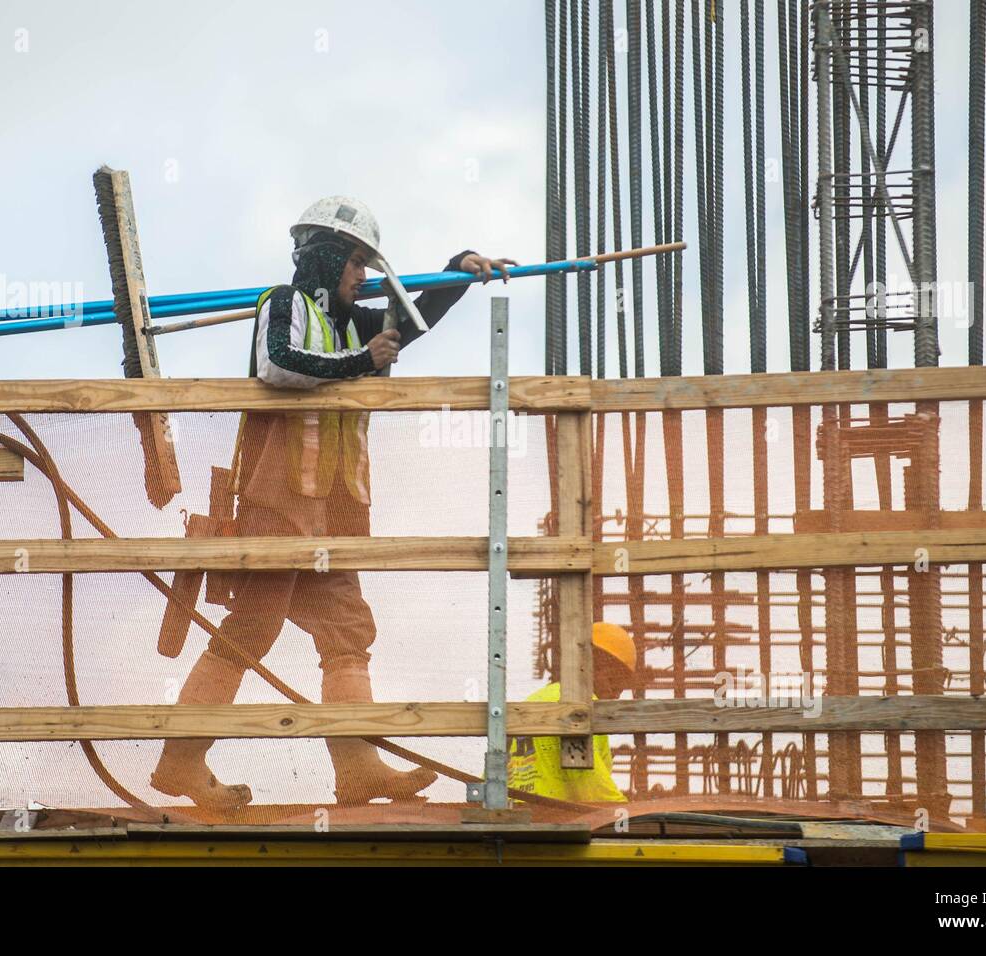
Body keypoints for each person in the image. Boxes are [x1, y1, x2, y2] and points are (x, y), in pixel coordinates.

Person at [151, 196, 517, 810]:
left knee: (347, 631)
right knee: (253, 628)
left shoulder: (354, 322)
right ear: (324, 259)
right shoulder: (285, 304)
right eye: (355, 262)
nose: (364, 276)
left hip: (334, 509)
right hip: (275, 501)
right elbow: (277, 364)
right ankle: (180, 761)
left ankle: (358, 768)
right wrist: (358, 363)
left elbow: (414, 316)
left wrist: (459, 269)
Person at [507, 622, 637, 803]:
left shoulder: (532, 701)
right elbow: (593, 789)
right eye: (612, 682)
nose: (615, 694)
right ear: (589, 666)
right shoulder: (581, 709)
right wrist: (633, 818)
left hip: (508, 823)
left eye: (620, 690)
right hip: (554, 823)